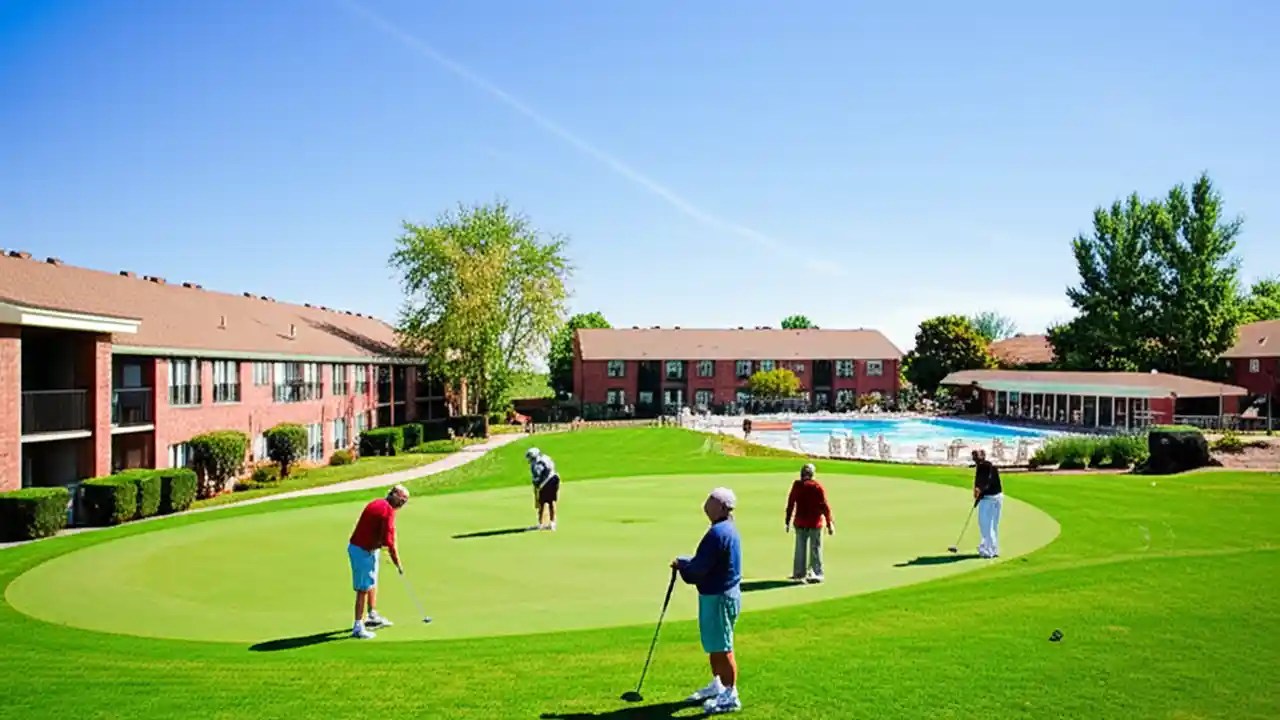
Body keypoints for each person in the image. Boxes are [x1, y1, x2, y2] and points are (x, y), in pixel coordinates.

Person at [673, 487, 743, 715]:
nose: (707, 505)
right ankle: (719, 685)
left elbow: (698, 570)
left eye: (712, 502)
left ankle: (731, 694)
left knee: (723, 646)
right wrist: (685, 563)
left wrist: (683, 567)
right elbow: (702, 563)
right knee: (715, 644)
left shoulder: (718, 533)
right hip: (716, 595)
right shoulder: (722, 530)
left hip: (719, 597)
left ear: (722, 508)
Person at [347, 484, 409, 639]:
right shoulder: (386, 511)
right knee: (363, 588)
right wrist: (397, 563)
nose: (402, 503)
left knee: (371, 582)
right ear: (393, 495)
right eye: (401, 499)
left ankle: (372, 615)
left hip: (369, 549)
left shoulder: (378, 503)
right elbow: (390, 542)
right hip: (362, 550)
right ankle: (358, 626)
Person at [785, 463, 835, 583]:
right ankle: (817, 573)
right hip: (815, 523)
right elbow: (825, 506)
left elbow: (791, 504)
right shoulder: (817, 487)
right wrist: (829, 523)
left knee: (800, 549)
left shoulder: (797, 486)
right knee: (816, 549)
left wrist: (787, 521)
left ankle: (799, 574)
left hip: (800, 522)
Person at [972, 449, 1003, 558]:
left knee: (985, 525)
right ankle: (993, 549)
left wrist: (977, 494)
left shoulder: (982, 468)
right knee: (993, 525)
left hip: (988, 499)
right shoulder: (991, 466)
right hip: (998, 497)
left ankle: (988, 551)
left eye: (975, 457)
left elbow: (980, 487)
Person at [527, 447, 560, 531]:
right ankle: (542, 524)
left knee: (549, 501)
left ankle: (550, 523)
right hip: (549, 481)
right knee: (544, 502)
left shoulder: (541, 462)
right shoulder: (538, 462)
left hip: (550, 480)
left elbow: (546, 473)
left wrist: (538, 490)